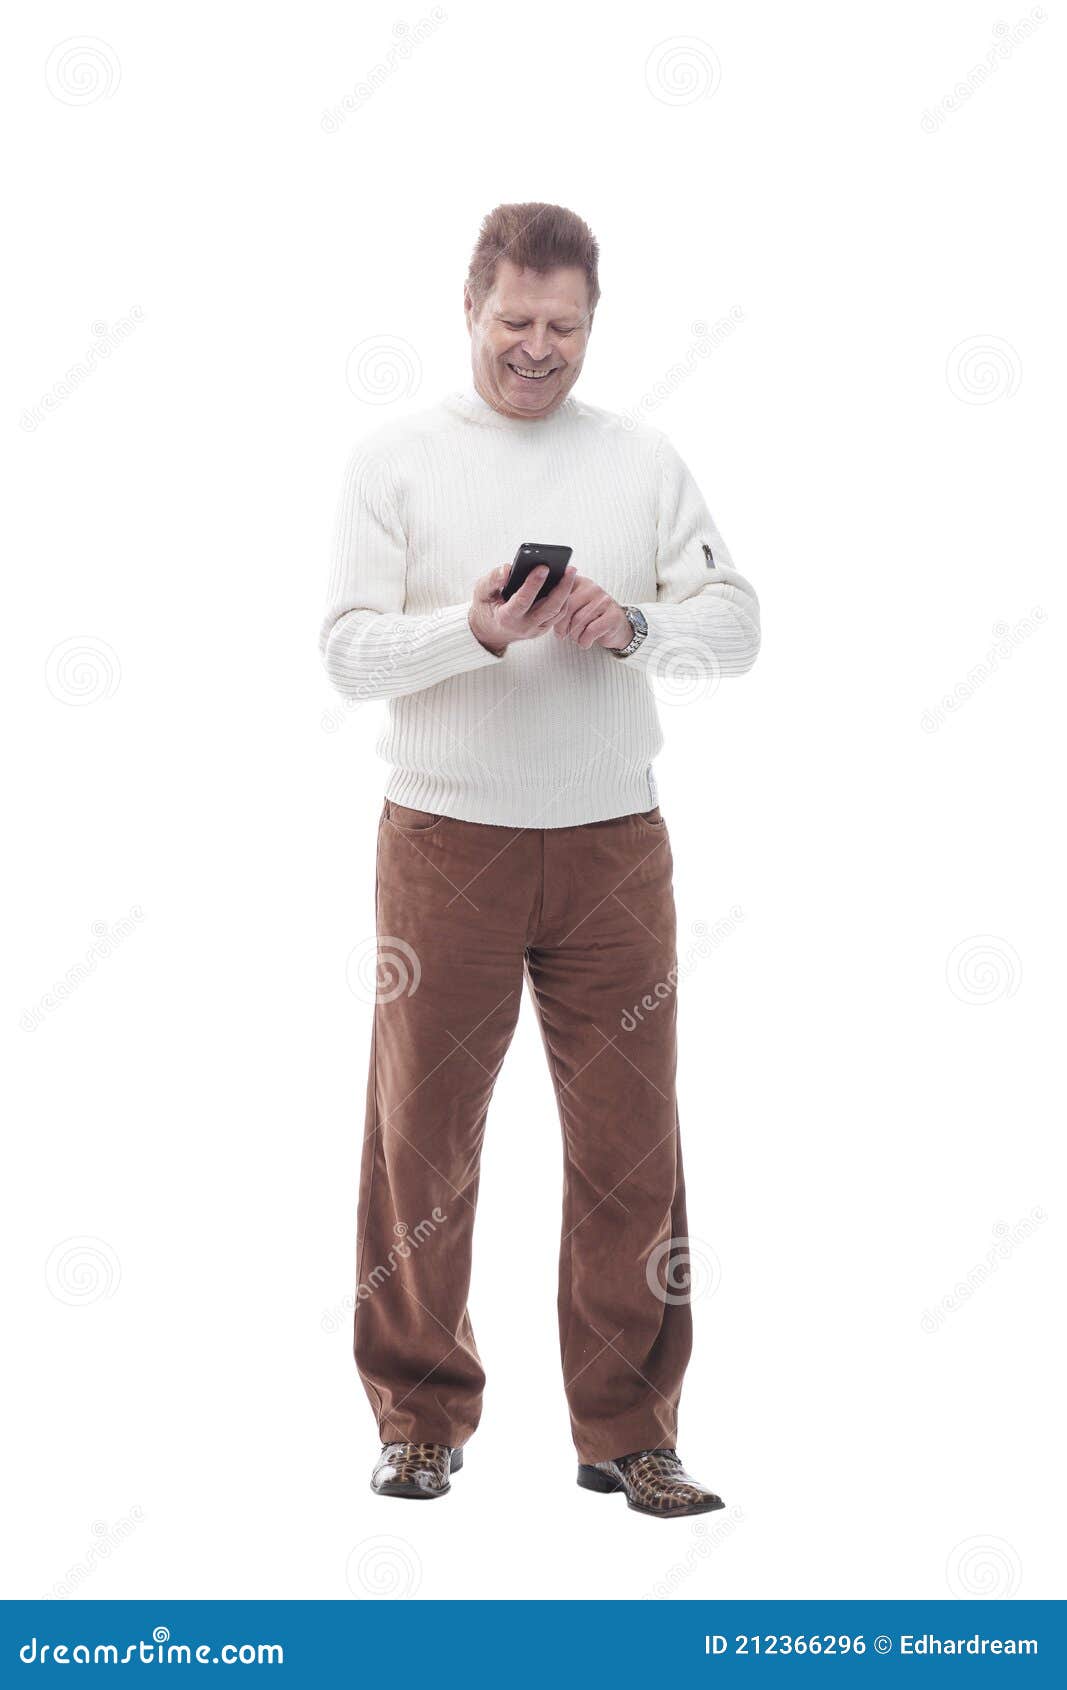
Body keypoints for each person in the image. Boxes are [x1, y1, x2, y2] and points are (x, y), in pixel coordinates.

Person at [320, 202, 760, 1517]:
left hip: (615, 841)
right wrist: (474, 631)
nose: (537, 348)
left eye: (563, 326)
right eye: (514, 321)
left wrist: (629, 624)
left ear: (591, 325)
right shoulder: (393, 460)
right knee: (423, 1140)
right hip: (444, 838)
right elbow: (344, 650)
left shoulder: (641, 458)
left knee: (633, 1142)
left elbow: (736, 628)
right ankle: (417, 1414)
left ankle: (630, 1428)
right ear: (470, 310)